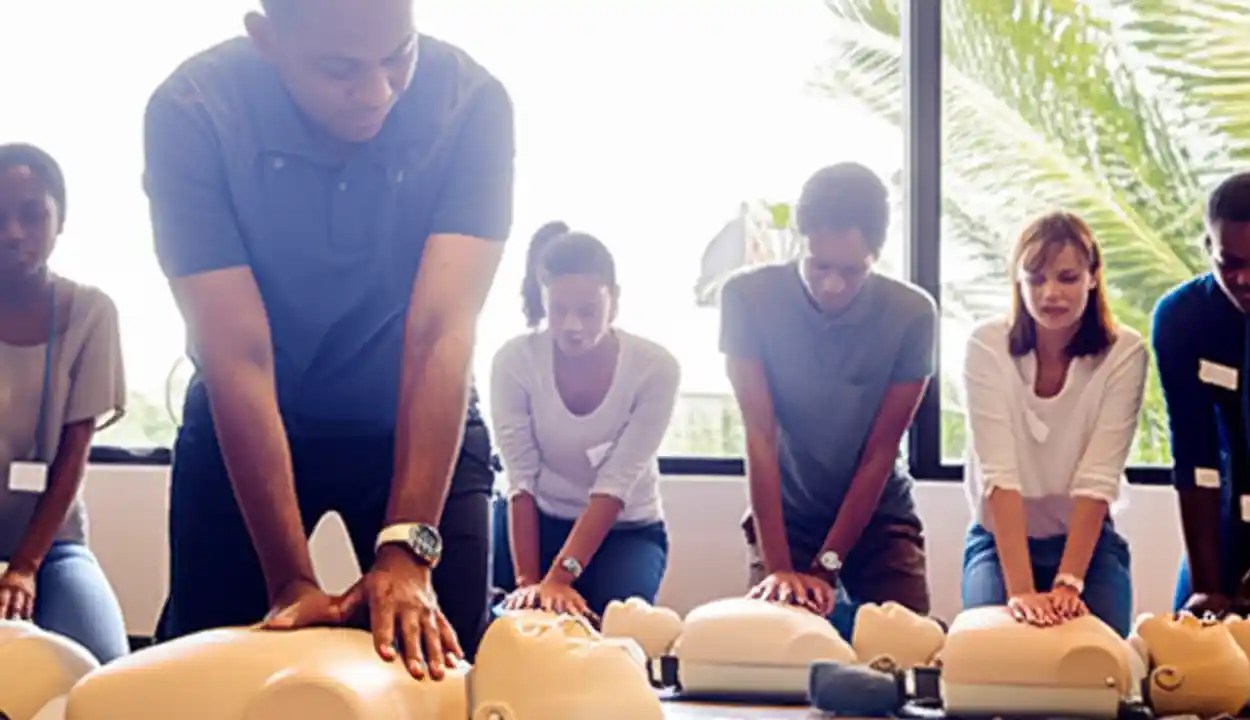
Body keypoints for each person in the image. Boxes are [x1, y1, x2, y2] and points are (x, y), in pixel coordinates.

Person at [142, 0, 514, 679]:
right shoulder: (191, 112)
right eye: (339, 69)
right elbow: (237, 355)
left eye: (397, 57)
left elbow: (439, 333)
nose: (376, 93)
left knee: (444, 668)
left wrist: (406, 550)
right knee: (211, 674)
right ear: (266, 40)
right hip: (255, 413)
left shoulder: (472, 105)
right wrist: (289, 582)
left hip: (411, 417)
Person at [718, 162, 937, 627]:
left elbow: (880, 452)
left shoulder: (912, 313)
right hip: (785, 515)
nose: (833, 285)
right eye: (820, 266)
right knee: (773, 646)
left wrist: (827, 566)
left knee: (905, 651)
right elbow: (760, 436)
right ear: (801, 242)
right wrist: (780, 570)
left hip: (879, 518)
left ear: (875, 256)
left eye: (851, 271)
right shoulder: (746, 297)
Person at [959, 212, 1145, 637]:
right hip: (998, 539)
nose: (1050, 293)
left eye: (1067, 277)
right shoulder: (986, 345)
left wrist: (1068, 583)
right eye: (1035, 278)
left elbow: (1099, 478)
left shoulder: (1125, 352)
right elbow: (998, 476)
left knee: (1098, 667)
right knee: (993, 655)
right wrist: (1022, 592)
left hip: (1086, 543)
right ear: (1017, 281)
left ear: (1093, 278)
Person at [489, 223, 680, 621]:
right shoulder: (514, 361)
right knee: (508, 620)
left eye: (587, 311)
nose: (572, 326)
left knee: (616, 625)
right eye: (559, 310)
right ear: (543, 301)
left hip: (624, 531)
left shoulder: (655, 369)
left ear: (615, 302)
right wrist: (529, 585)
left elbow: (615, 482)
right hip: (537, 519)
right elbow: (520, 477)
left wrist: (560, 577)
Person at [0, 143, 130, 663]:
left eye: (32, 215)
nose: (12, 233)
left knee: (105, 670)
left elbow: (75, 451)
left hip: (53, 548)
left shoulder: (91, 313)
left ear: (61, 220)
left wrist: (27, 565)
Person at [1152, 170, 1250, 619]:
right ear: (1208, 250)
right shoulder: (1181, 317)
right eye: (1230, 263)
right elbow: (1194, 455)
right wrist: (1209, 589)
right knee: (1192, 655)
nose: (1247, 279)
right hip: (1225, 527)